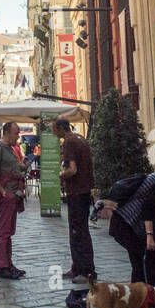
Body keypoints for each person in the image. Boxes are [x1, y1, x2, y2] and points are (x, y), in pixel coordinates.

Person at [53, 117, 95, 285]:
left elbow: (72, 169)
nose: (53, 132)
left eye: (54, 129)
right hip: (84, 191)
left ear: (61, 128)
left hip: (76, 191)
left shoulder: (69, 142)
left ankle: (85, 271)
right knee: (81, 230)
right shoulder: (80, 138)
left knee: (77, 231)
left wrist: (60, 175)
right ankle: (78, 267)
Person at [0, 121, 29, 279]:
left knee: (9, 232)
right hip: (6, 196)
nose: (18, 136)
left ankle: (8, 264)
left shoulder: (9, 148)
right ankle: (3, 267)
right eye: (15, 133)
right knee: (3, 232)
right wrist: (3, 192)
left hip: (13, 195)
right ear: (6, 132)